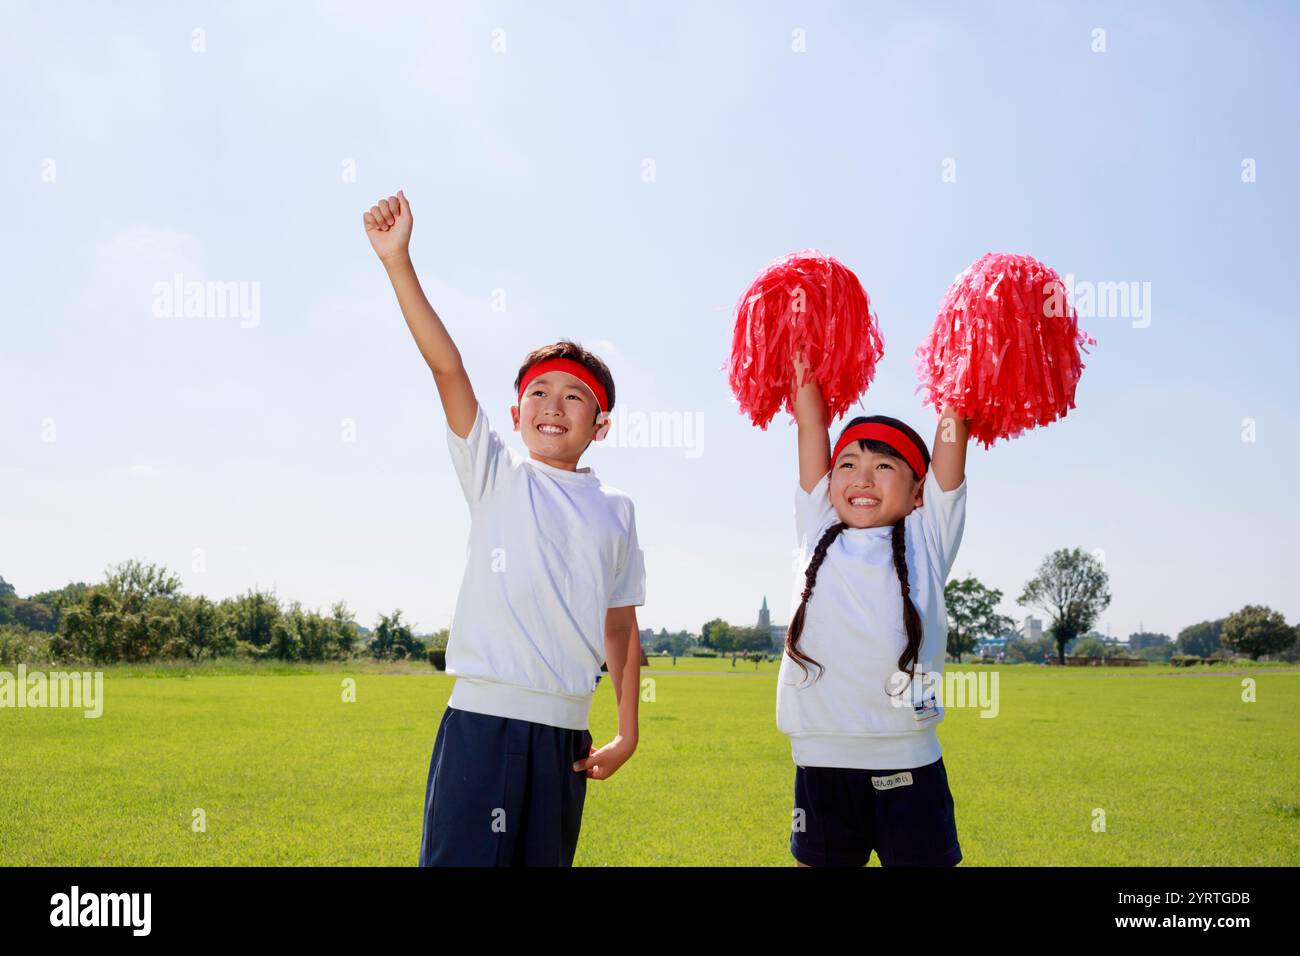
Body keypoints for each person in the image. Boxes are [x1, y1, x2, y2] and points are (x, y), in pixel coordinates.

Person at [362, 191, 646, 866]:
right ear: (517, 413)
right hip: (480, 729)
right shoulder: (495, 475)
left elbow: (622, 629)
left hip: (564, 736)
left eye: (574, 396)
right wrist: (398, 260)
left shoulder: (617, 511)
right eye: (540, 394)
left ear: (600, 425)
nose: (554, 406)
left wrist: (627, 732)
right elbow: (446, 367)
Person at [777, 352, 969, 867]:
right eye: (849, 465)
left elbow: (953, 433)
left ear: (917, 492)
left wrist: (963, 367)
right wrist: (802, 352)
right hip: (820, 763)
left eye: (884, 465)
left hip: (907, 762)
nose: (862, 478)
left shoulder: (927, 536)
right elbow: (810, 422)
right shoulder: (817, 525)